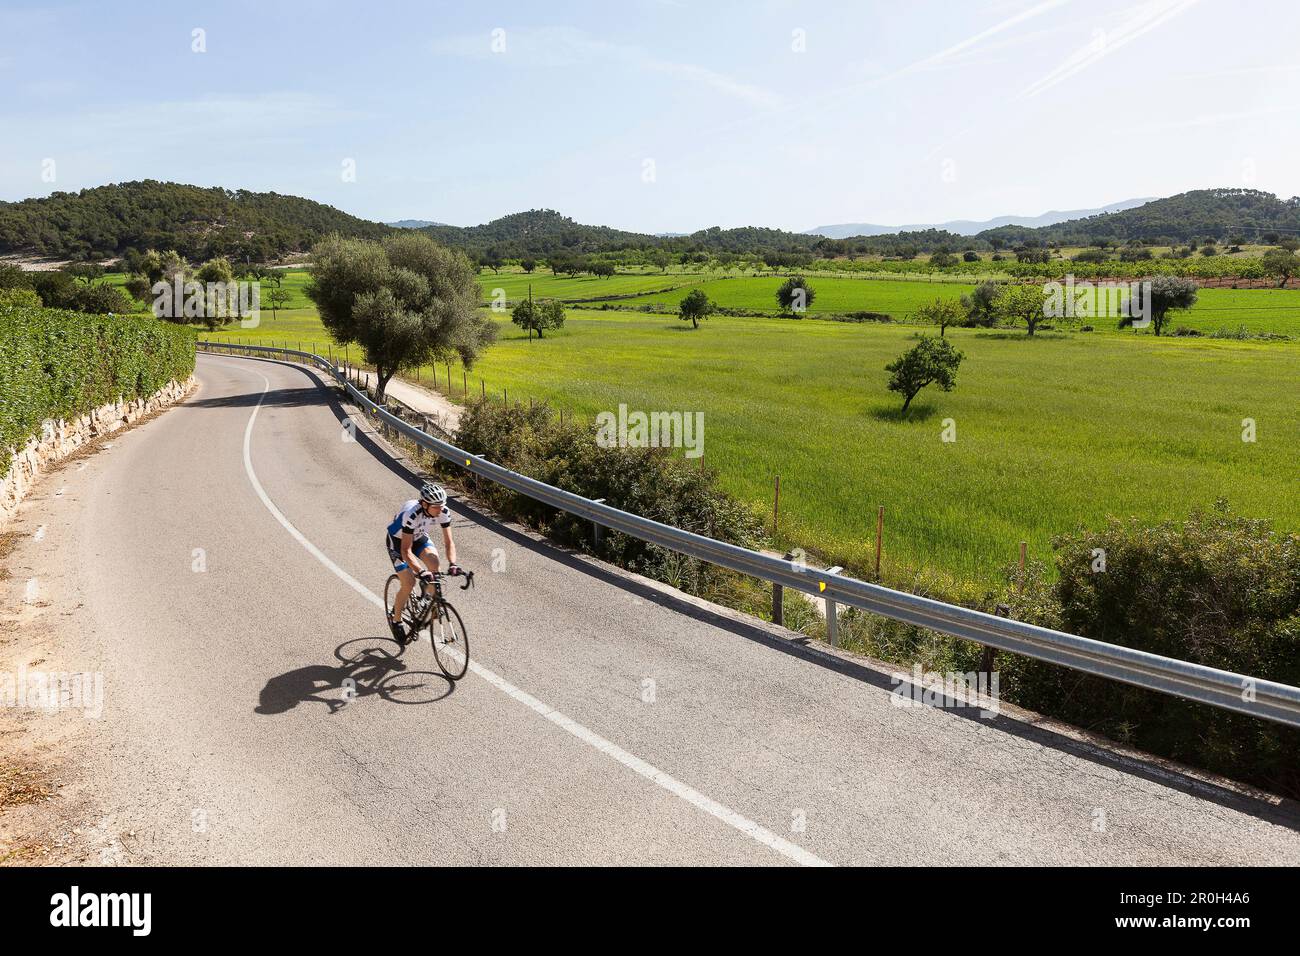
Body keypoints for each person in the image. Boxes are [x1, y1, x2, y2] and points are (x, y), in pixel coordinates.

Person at [385, 481, 459, 645]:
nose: (440, 510)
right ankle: (396, 619)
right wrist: (420, 571)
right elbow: (406, 551)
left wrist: (453, 563)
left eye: (442, 506)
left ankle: (427, 599)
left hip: (419, 537)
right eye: (435, 507)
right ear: (424, 504)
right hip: (398, 543)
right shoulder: (411, 514)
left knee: (434, 563)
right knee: (409, 582)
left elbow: (449, 542)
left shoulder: (443, 511)